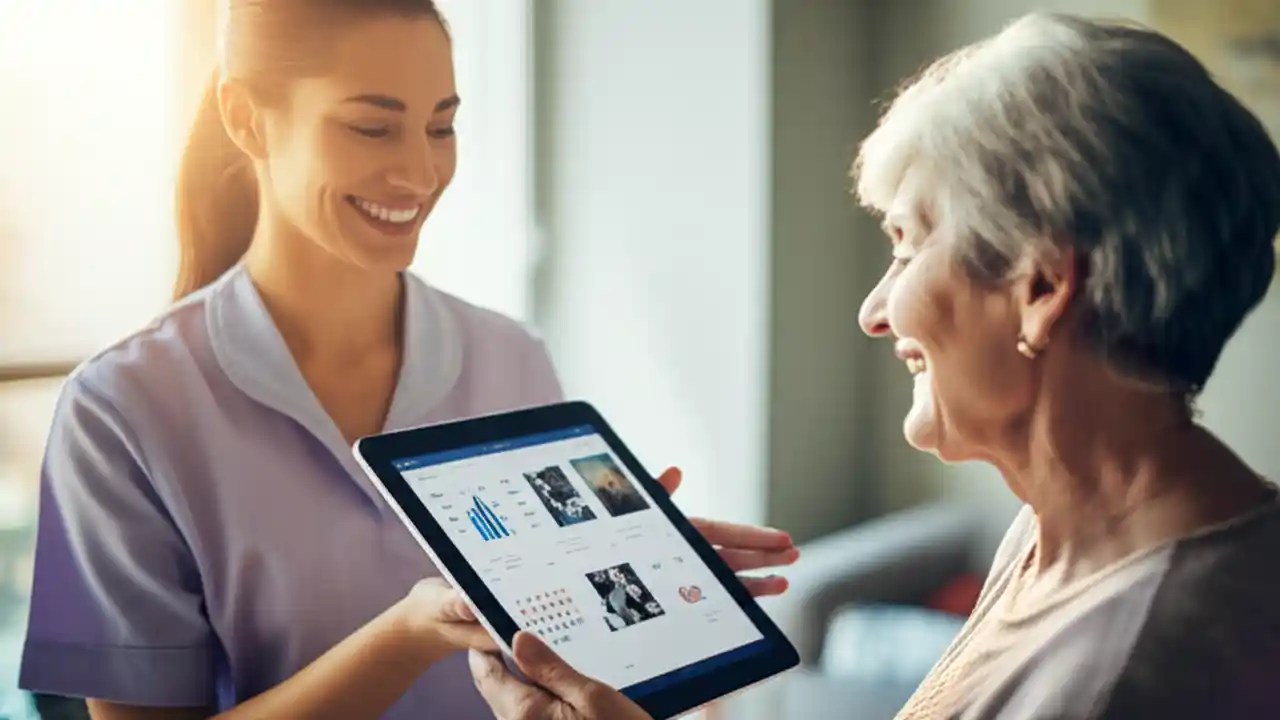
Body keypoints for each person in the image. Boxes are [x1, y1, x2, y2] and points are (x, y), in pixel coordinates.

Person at [471, 12, 1280, 719]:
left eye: (908, 245)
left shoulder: (1131, 669)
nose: (873, 309)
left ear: (1040, 286)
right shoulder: (1058, 532)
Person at [17, 2, 799, 718]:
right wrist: (410, 632)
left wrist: (640, 580)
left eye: (441, 126)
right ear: (247, 118)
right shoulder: (119, 411)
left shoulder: (511, 358)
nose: (421, 174)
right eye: (371, 127)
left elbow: (565, 667)